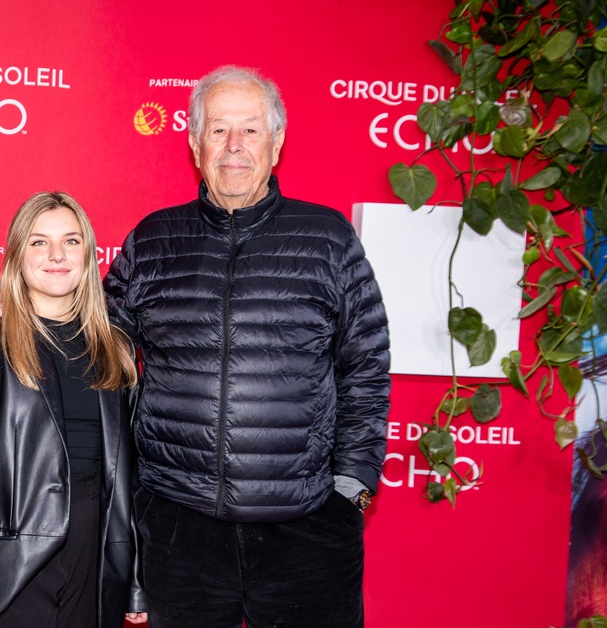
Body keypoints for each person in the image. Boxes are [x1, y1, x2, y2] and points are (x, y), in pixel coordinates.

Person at [101, 65, 391, 627]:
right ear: (195, 144)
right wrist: (18, 302)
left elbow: (366, 366)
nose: (234, 145)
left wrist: (350, 488)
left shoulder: (328, 239)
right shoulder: (153, 240)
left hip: (307, 525)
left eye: (251, 130)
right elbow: (98, 341)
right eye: (218, 129)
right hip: (180, 526)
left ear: (276, 143)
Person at [0, 192, 148, 628]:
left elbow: (132, 475)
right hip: (11, 562)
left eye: (71, 241)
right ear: (17, 254)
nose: (56, 255)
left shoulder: (116, 347)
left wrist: (135, 581)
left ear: (88, 253)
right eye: (39, 242)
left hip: (95, 558)